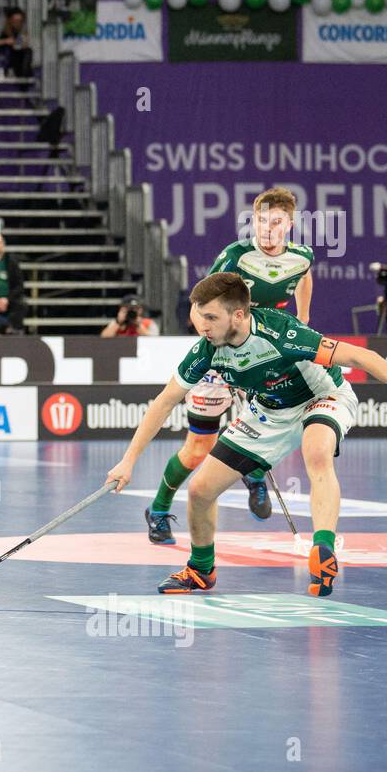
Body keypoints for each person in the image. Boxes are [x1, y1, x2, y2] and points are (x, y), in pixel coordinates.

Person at [106, 272, 387, 598]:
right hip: (267, 412)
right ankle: (201, 569)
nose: (203, 327)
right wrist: (128, 460)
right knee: (199, 490)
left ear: (238, 315)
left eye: (211, 318)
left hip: (321, 397)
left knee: (316, 452)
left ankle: (323, 550)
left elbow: (362, 356)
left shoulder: (282, 333)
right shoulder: (208, 349)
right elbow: (164, 402)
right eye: (200, 317)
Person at [142, 187, 313, 545]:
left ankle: (252, 470)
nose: (267, 229)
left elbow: (303, 277)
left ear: (291, 224)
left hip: (265, 358)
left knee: (273, 426)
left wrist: (304, 318)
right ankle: (158, 509)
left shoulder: (302, 256)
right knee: (198, 448)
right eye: (261, 221)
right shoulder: (236, 256)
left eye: (276, 222)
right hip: (222, 357)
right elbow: (197, 305)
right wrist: (216, 341)